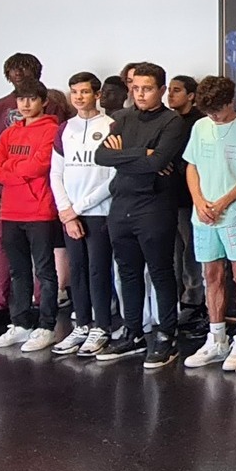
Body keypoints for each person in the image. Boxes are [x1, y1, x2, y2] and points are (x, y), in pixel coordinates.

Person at [94, 62, 188, 369]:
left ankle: (167, 336)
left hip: (155, 205)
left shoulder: (172, 121)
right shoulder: (122, 117)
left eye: (147, 89)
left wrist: (138, 157)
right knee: (127, 271)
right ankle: (133, 332)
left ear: (160, 90)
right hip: (121, 204)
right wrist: (141, 153)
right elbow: (102, 155)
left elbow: (160, 160)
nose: (140, 94)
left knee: (161, 271)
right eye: (135, 88)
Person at [0, 52, 71, 334]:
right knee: (7, 253)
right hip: (7, 199)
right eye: (14, 71)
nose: (19, 75)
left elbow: (50, 159)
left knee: (43, 261)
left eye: (25, 70)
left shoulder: (54, 105)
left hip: (40, 199)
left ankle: (44, 313)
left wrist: (14, 170)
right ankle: (4, 308)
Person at [179, 76, 236, 371]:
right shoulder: (200, 127)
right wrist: (199, 201)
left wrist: (223, 202)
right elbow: (192, 167)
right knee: (211, 274)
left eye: (218, 111)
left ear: (231, 101)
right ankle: (217, 338)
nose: (213, 116)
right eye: (208, 111)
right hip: (203, 214)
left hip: (234, 212)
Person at [0, 80, 63, 353]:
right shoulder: (9, 133)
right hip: (10, 210)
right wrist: (17, 170)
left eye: (31, 99)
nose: (26, 104)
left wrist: (13, 169)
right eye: (21, 99)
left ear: (43, 101)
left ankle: (46, 326)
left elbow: (40, 166)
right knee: (18, 270)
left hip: (40, 211)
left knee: (44, 271)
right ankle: (20, 324)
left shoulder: (52, 130)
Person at [50, 72, 117, 358]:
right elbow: (56, 173)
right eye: (74, 92)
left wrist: (79, 209)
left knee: (98, 270)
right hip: (70, 214)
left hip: (99, 213)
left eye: (85, 92)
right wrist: (67, 211)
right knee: (76, 270)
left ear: (97, 95)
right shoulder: (65, 128)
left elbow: (114, 177)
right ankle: (82, 324)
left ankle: (101, 326)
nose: (79, 97)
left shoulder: (112, 126)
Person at [168, 74, 206, 331]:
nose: (170, 95)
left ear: (191, 95)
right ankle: (177, 301)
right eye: (169, 90)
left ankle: (194, 302)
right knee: (173, 254)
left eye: (177, 90)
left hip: (191, 196)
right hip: (165, 197)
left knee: (192, 252)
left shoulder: (199, 123)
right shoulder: (167, 120)